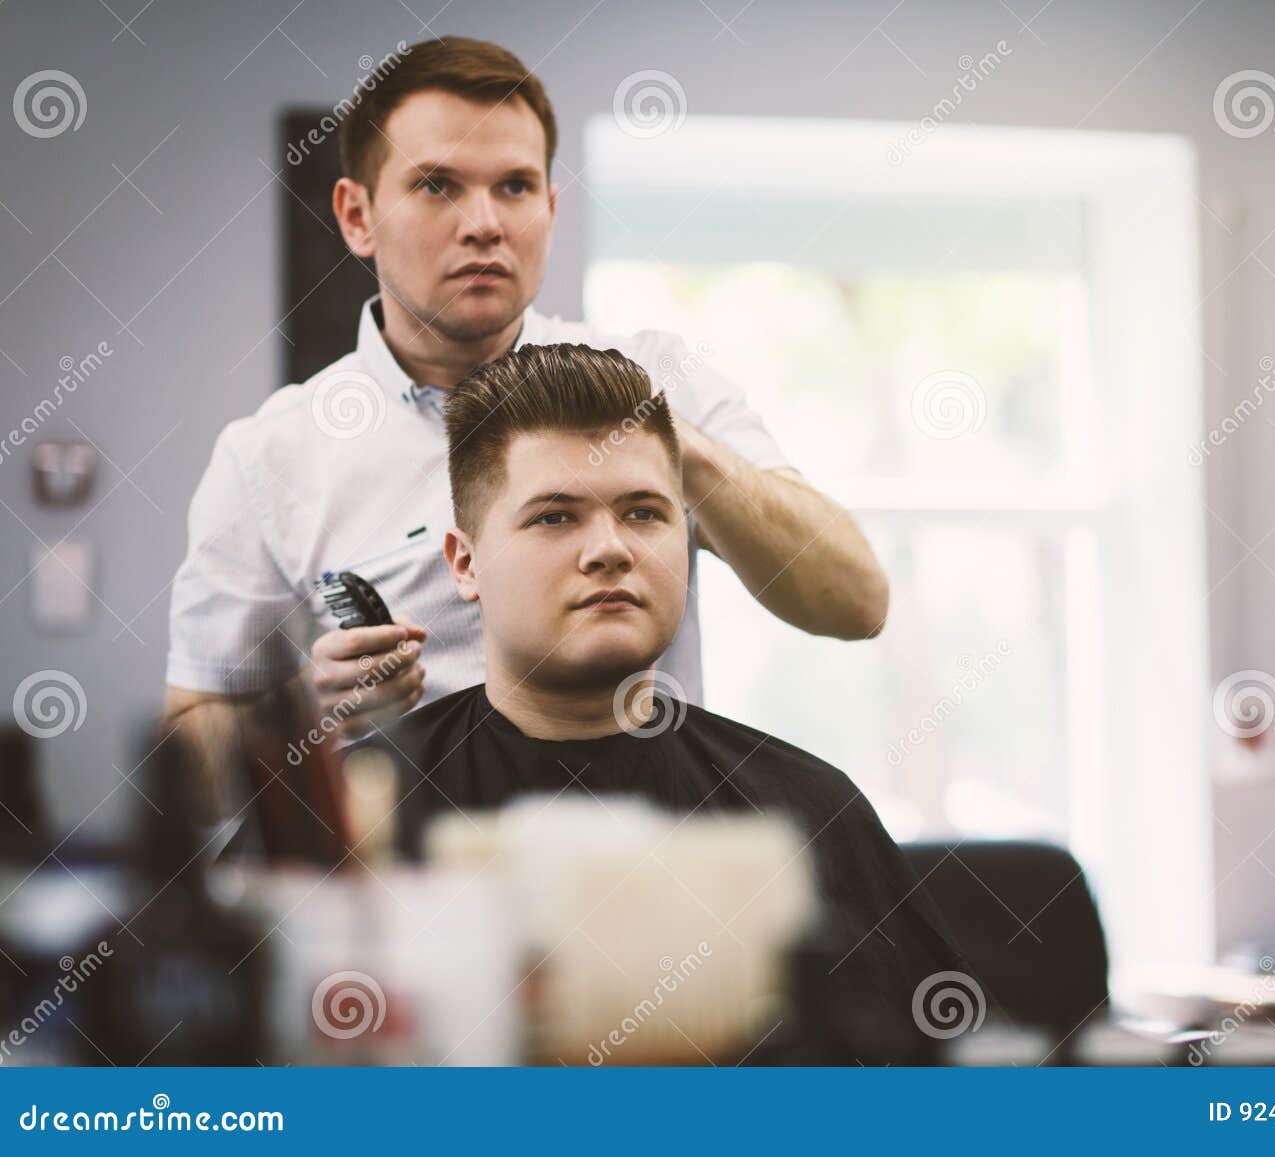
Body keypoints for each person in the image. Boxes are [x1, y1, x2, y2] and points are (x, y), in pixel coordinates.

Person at [162, 36, 888, 789]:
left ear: (549, 204)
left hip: (649, 866)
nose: (484, 223)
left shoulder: (662, 381)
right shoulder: (269, 458)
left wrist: (675, 449)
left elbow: (856, 603)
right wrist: (304, 707)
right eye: (438, 185)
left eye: (514, 186)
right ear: (357, 215)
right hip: (404, 883)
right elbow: (183, 775)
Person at [350, 342, 963, 1051]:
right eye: (555, 516)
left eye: (644, 512)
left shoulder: (805, 816)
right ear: (465, 563)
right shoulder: (361, 815)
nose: (610, 548)